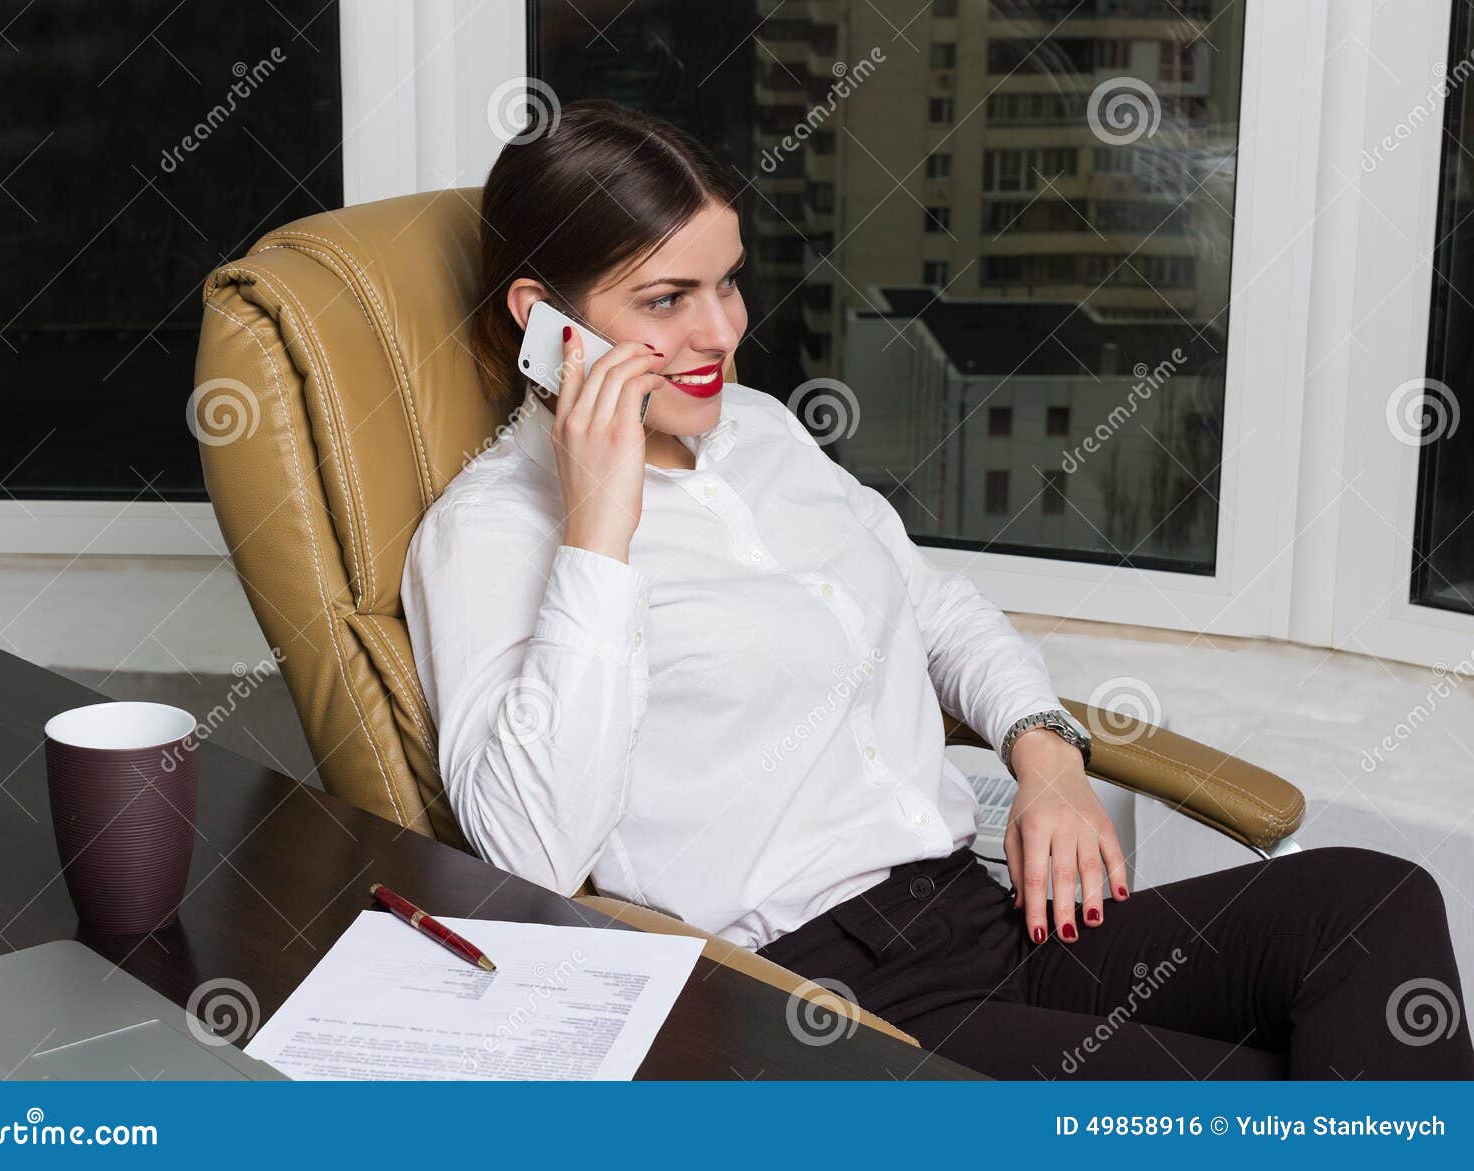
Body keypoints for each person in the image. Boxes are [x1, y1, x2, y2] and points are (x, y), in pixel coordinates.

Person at [402, 98, 1473, 1080]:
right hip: (828, 997)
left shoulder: (763, 433)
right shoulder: (490, 534)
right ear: (546, 318)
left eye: (726, 281)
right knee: (1266, 1098)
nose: (722, 333)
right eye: (666, 299)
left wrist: (1043, 751)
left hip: (980, 908)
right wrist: (598, 532)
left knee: (1372, 903)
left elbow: (936, 606)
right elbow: (531, 854)